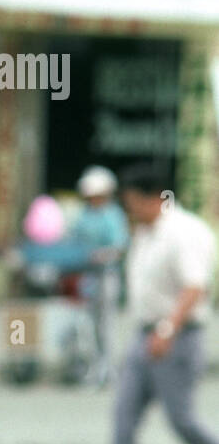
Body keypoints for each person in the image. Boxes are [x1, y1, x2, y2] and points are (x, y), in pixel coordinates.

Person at [94, 162, 219, 444]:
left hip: (176, 338)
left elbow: (194, 286)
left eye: (131, 201)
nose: (128, 209)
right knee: (122, 420)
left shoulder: (183, 232)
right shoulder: (145, 232)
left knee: (183, 422)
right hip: (143, 336)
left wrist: (167, 330)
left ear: (152, 199)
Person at [71, 166, 130, 387]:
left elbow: (120, 246)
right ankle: (93, 367)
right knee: (88, 324)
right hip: (87, 277)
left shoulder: (113, 215)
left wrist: (102, 255)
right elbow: (75, 239)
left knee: (106, 324)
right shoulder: (84, 215)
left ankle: (109, 369)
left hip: (107, 276)